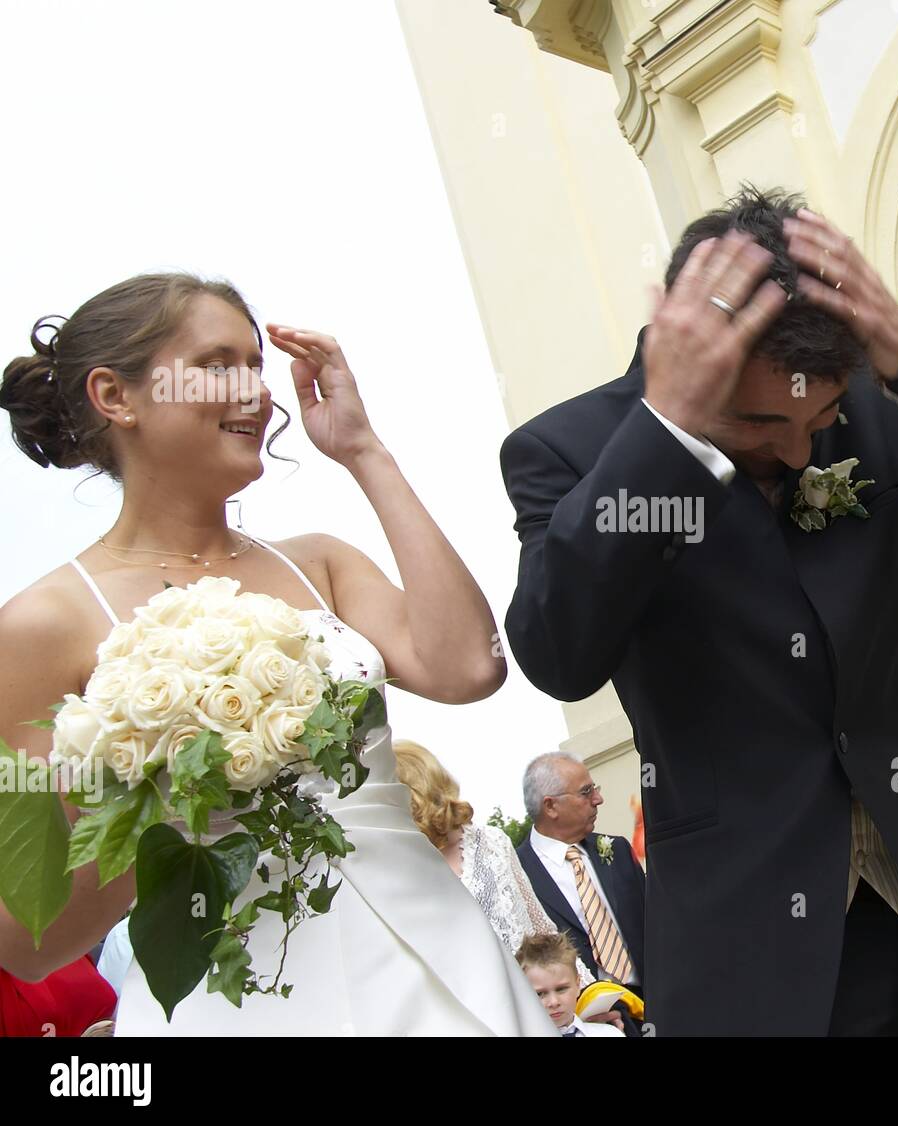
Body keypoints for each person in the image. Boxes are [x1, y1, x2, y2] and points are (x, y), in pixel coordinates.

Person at [499, 185, 898, 1036]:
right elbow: (557, 651)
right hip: (751, 951)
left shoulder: (877, 402)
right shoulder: (571, 452)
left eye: (815, 420)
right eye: (754, 422)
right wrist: (666, 429)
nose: (793, 449)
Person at [0, 272, 555, 1036]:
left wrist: (364, 452)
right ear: (115, 395)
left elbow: (470, 667)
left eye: (258, 365)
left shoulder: (319, 563)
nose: (257, 392)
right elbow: (28, 939)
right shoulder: (41, 623)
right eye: (219, 363)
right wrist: (171, 805)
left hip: (440, 961)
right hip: (240, 1002)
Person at [390, 738, 599, 990]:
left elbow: (542, 930)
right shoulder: (394, 869)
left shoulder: (491, 842)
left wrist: (587, 992)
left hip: (531, 1002)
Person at [516, 752, 646, 1035]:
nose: (598, 799)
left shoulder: (618, 851)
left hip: (656, 1005)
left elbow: (657, 923)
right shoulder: (517, 874)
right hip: (589, 1025)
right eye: (586, 792)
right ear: (550, 806)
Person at [516, 933, 624, 1038]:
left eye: (561, 989)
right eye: (539, 994)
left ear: (578, 984)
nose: (554, 1002)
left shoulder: (609, 1034)